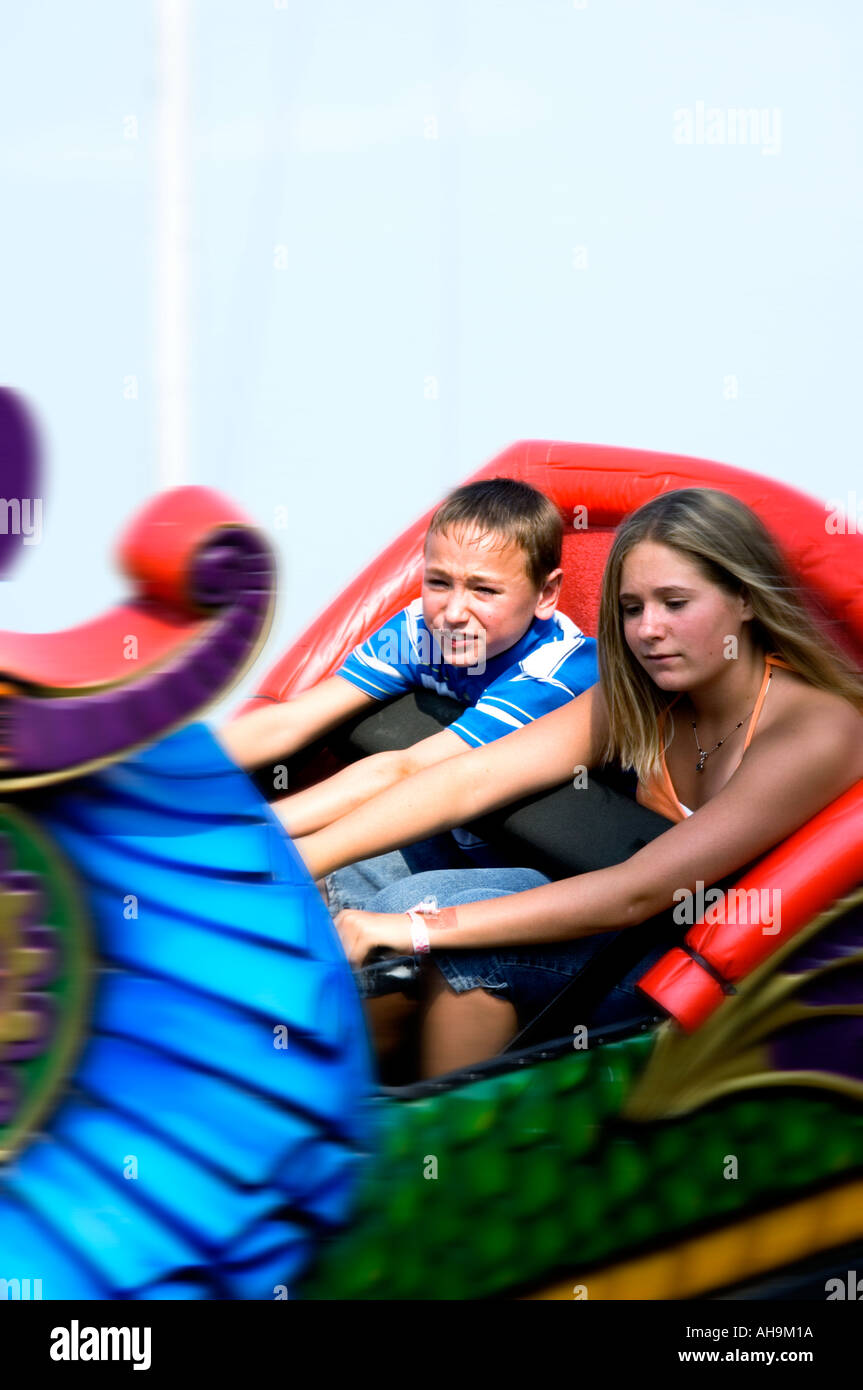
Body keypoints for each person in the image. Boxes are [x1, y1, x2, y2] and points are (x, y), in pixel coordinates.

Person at [296, 488, 863, 1079]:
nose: (648, 630)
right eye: (632, 607)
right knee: (375, 869)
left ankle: (435, 1150)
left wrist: (414, 926)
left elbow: (635, 892)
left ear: (744, 598)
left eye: (674, 603)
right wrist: (298, 855)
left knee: (454, 939)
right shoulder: (644, 695)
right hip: (624, 930)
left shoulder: (817, 727)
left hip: (712, 989)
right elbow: (468, 779)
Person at [220, 478, 598, 913]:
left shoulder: (554, 674)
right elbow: (290, 721)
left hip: (536, 880)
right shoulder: (422, 629)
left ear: (546, 594)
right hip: (440, 839)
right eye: (439, 582)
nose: (454, 613)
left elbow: (404, 770)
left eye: (485, 590)